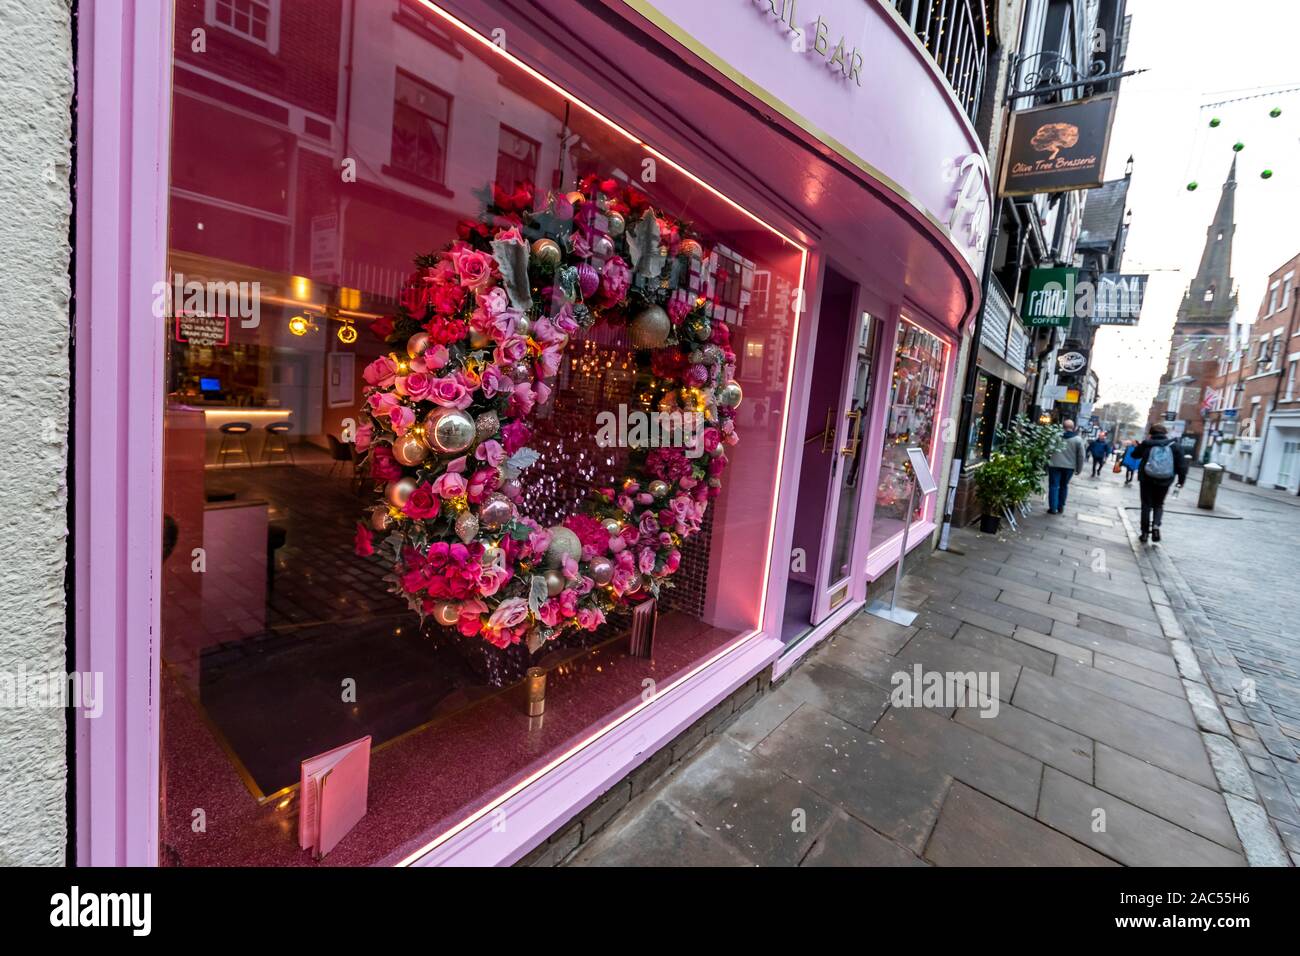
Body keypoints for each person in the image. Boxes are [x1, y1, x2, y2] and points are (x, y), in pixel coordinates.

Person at [1132, 423, 1188, 543]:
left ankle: (1145, 533)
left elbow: (1134, 455)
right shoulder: (1175, 446)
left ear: (1151, 434)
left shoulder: (1147, 444)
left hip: (1146, 479)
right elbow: (1182, 466)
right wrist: (1181, 481)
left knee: (1146, 505)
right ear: (1165, 433)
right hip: (1165, 480)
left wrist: (1139, 446)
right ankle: (1156, 525)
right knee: (1159, 504)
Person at [1046, 419, 1085, 514]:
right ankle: (1061, 506)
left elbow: (1047, 451)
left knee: (1053, 486)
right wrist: (1079, 469)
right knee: (1064, 486)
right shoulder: (1078, 440)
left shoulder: (1055, 437)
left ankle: (1053, 508)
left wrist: (1045, 464)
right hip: (1069, 468)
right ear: (1074, 427)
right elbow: (1081, 456)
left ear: (1062, 427)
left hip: (1054, 465)